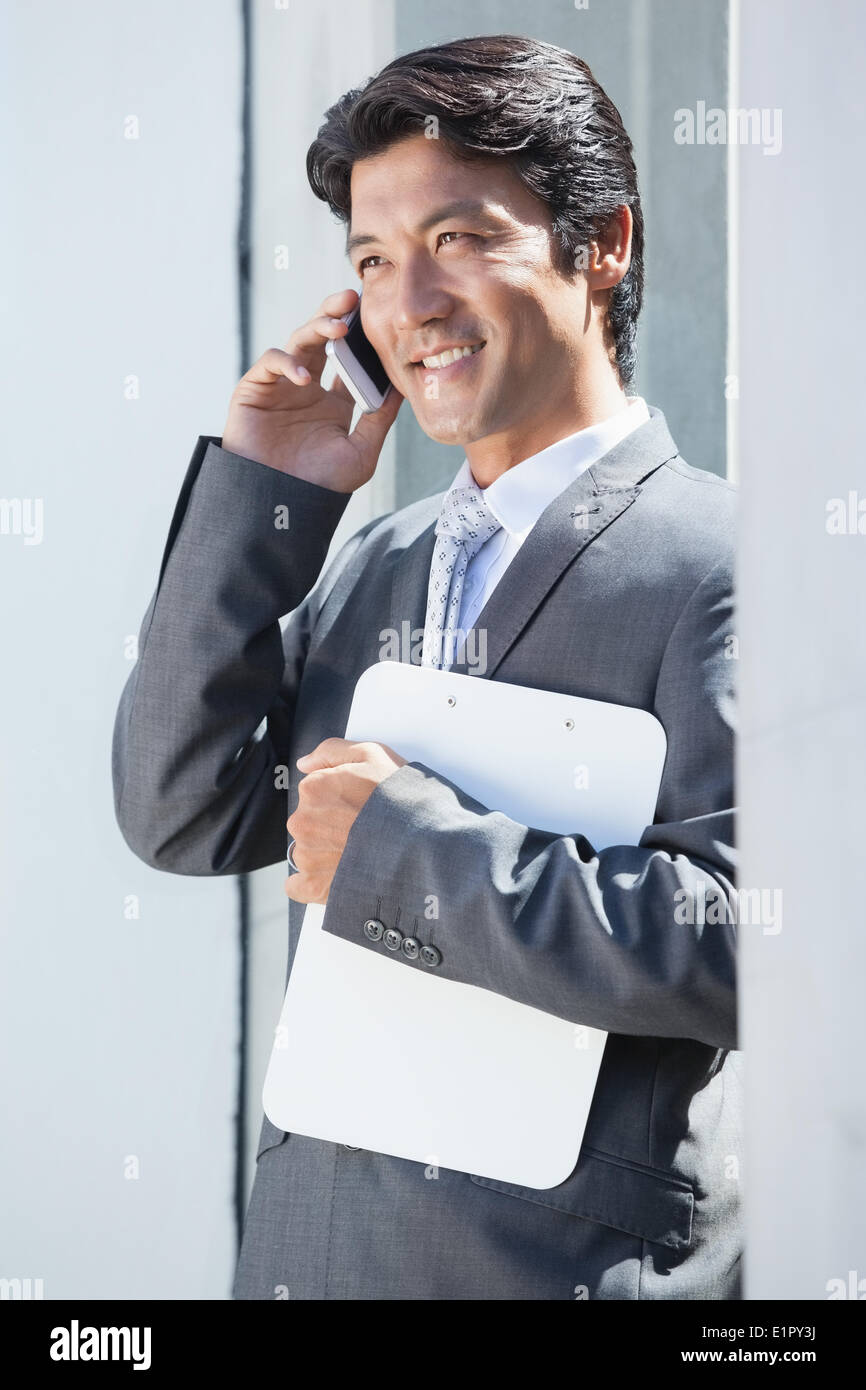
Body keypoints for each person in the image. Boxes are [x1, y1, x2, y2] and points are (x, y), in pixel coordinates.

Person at [112, 34, 741, 1300]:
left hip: (550, 1272)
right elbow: (178, 812)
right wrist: (264, 503)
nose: (408, 305)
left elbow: (749, 951)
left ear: (599, 243)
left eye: (457, 240)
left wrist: (401, 853)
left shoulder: (729, 563)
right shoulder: (374, 561)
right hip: (310, 1263)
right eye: (371, 261)